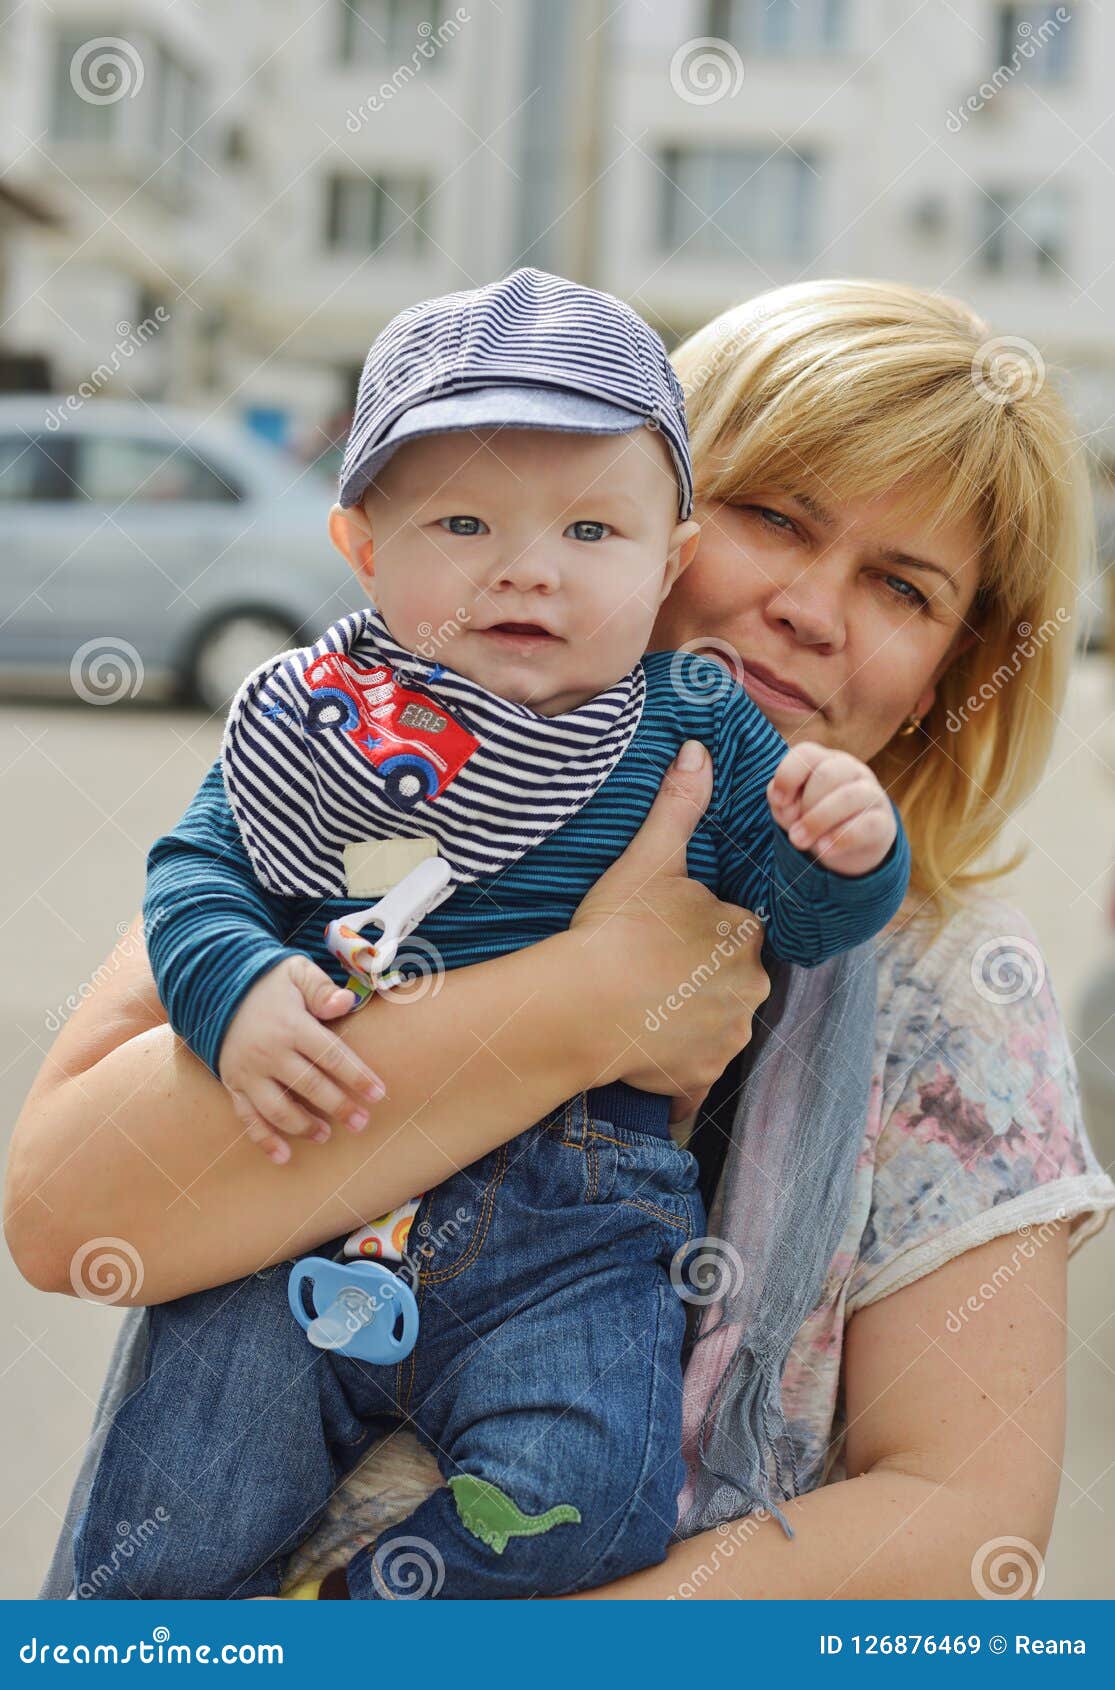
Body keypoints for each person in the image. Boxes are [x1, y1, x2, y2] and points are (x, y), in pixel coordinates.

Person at [13, 279, 1114, 1602]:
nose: (813, 609)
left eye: (902, 586)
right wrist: (583, 1002)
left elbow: (958, 1515)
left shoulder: (947, 980)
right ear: (652, 504)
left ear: (943, 673)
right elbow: (67, 1209)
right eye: (775, 518)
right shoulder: (385, 759)